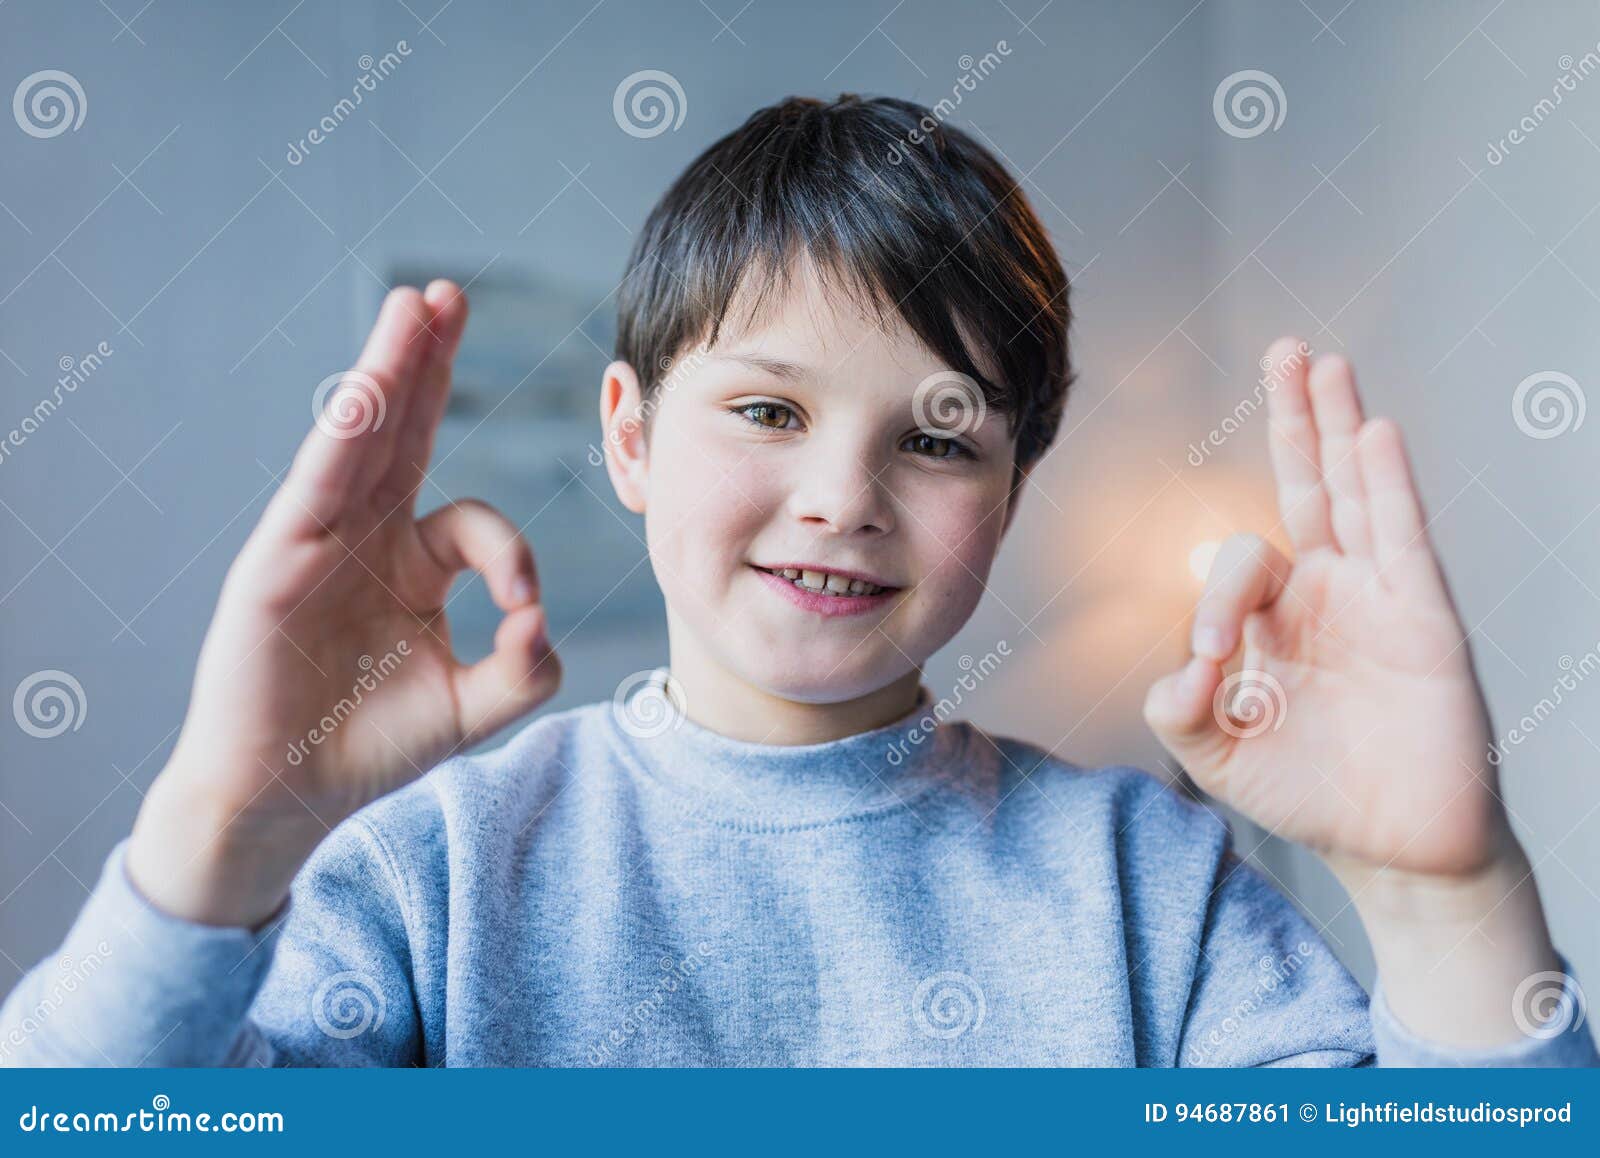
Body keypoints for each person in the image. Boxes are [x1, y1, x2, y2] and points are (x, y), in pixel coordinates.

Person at [1, 95, 1593, 1067]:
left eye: (941, 437)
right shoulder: (432, 877)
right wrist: (220, 829)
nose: (841, 496)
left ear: (1012, 490)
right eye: (768, 411)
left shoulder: (1145, 886)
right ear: (629, 434)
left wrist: (1450, 896)